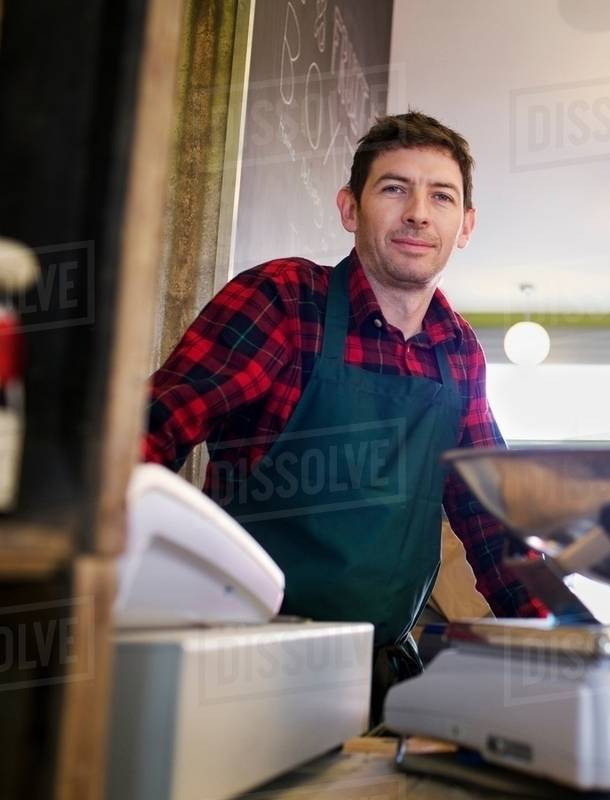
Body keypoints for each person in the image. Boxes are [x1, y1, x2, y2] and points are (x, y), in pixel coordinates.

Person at [143, 111, 542, 723]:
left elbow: (491, 522)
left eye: (441, 196)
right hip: (235, 669)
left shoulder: (458, 353)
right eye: (393, 188)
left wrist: (563, 640)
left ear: (465, 226)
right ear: (349, 209)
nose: (417, 212)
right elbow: (151, 431)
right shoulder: (282, 299)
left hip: (375, 674)